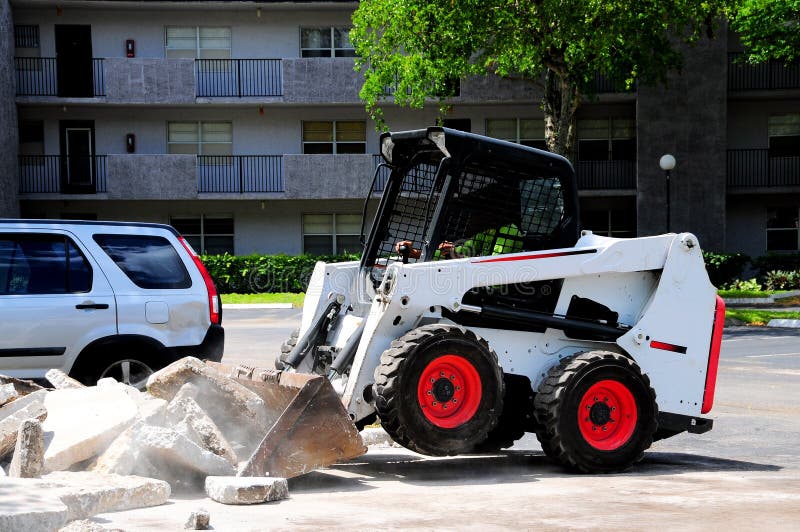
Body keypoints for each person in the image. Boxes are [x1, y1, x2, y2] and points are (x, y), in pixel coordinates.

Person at [395, 224, 523, 260]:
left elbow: (495, 266)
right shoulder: (487, 232)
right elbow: (466, 251)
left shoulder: (508, 230)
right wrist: (416, 254)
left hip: (494, 288)